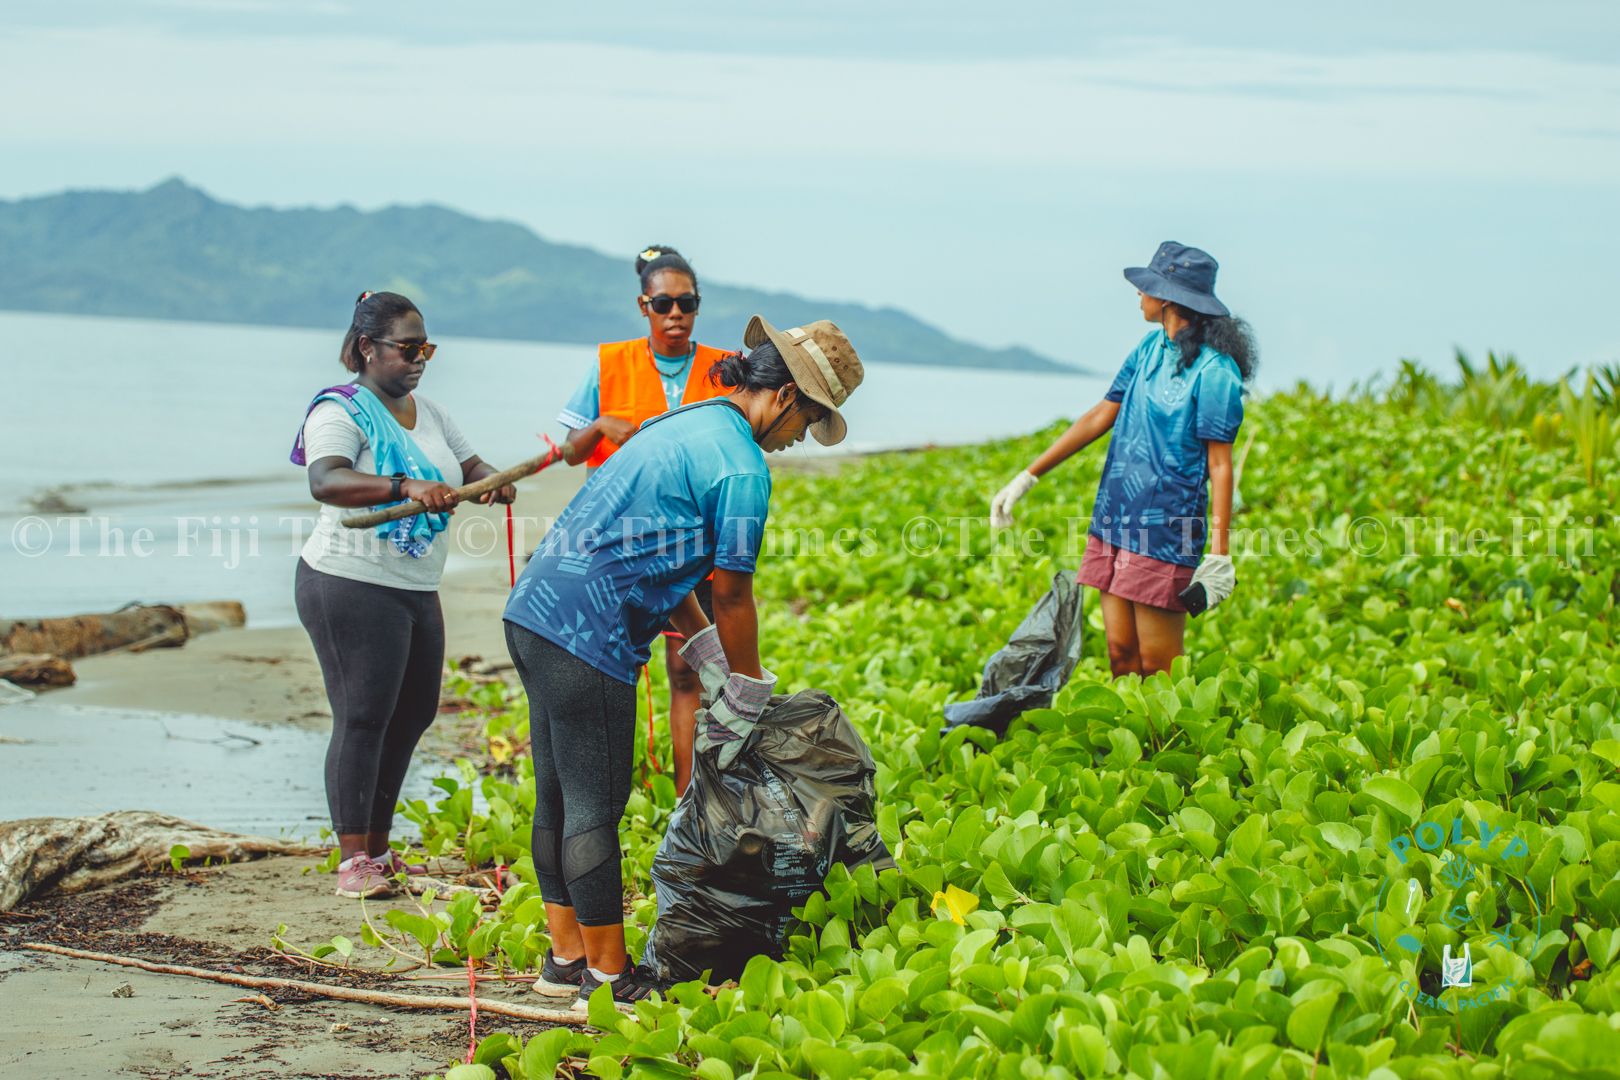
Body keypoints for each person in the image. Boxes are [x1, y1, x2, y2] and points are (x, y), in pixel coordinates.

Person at [504, 315, 864, 1011]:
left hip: (534, 613)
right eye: (808, 420)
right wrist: (750, 688)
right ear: (788, 396)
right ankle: (608, 981)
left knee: (555, 794)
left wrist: (708, 662)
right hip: (589, 636)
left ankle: (565, 957)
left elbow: (661, 562)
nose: (797, 440)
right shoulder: (742, 467)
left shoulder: (688, 421)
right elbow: (731, 591)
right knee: (595, 808)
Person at [292, 290, 516, 900]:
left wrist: (492, 484)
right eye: (407, 347)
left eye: (427, 348)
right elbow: (326, 479)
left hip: (415, 584)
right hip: (346, 582)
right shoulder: (340, 410)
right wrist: (404, 484)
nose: (419, 359)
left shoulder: (434, 413)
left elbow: (469, 468)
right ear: (367, 347)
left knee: (413, 714)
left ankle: (380, 848)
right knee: (363, 716)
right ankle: (353, 861)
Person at [989, 242, 1257, 677]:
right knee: (1120, 655)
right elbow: (1101, 415)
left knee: (1158, 666)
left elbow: (1220, 464)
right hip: (1114, 520)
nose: (1139, 295)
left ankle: (1168, 745)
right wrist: (1027, 476)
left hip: (1168, 531)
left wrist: (1220, 553)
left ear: (1168, 297)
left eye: (1145, 288)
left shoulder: (1215, 372)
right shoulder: (1148, 350)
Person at [556, 245, 731, 797]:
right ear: (644, 305)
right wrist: (603, 423)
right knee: (612, 672)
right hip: (619, 546)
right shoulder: (610, 363)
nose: (676, 314)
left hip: (693, 546)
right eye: (664, 304)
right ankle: (605, 794)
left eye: (687, 303)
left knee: (688, 672)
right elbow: (568, 449)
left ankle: (684, 801)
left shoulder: (725, 369)